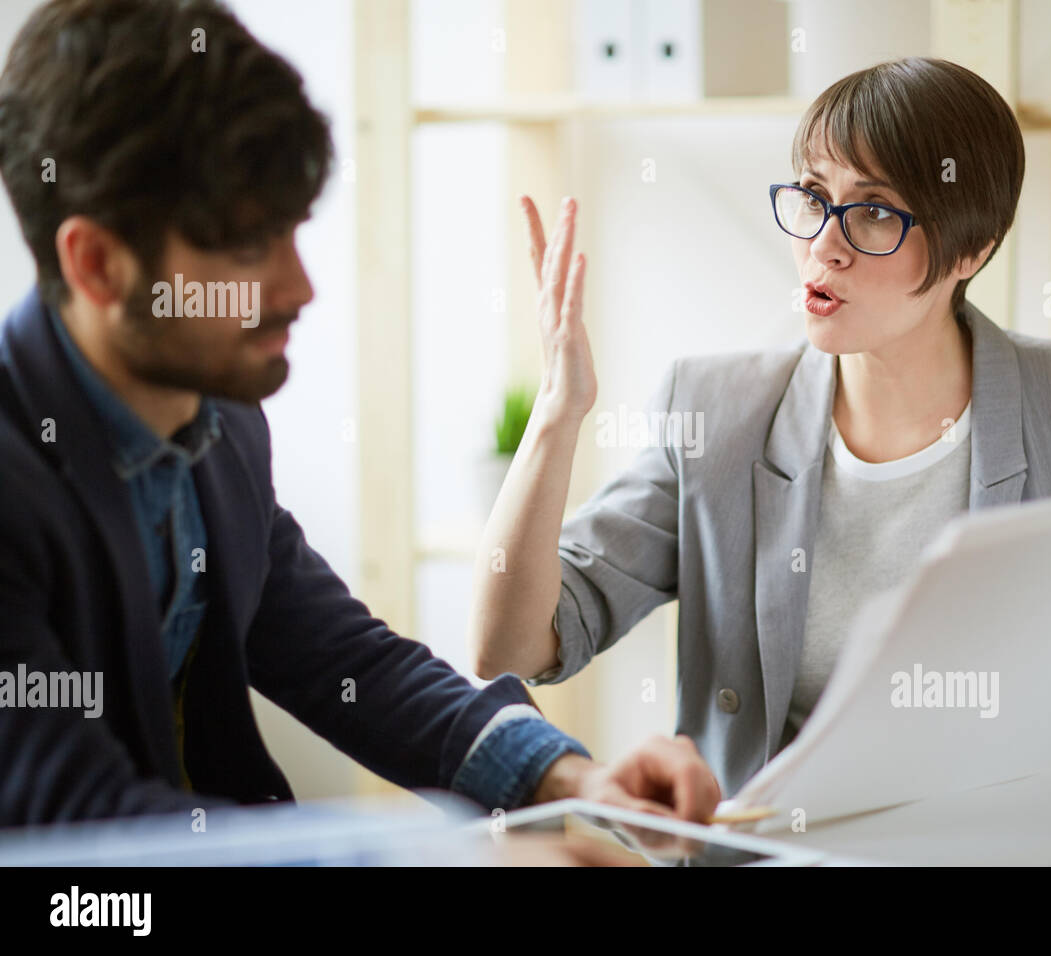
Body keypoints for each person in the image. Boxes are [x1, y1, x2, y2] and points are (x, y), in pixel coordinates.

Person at [469, 57, 1051, 799]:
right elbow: (508, 648)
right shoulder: (716, 414)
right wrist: (557, 412)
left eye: (874, 214)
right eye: (815, 197)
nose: (825, 246)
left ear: (970, 249)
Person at [0, 0, 720, 833]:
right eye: (246, 249)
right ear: (96, 263)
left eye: (293, 232)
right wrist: (424, 858)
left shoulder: (221, 424)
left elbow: (346, 662)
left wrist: (565, 776)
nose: (300, 288)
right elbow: (80, 824)